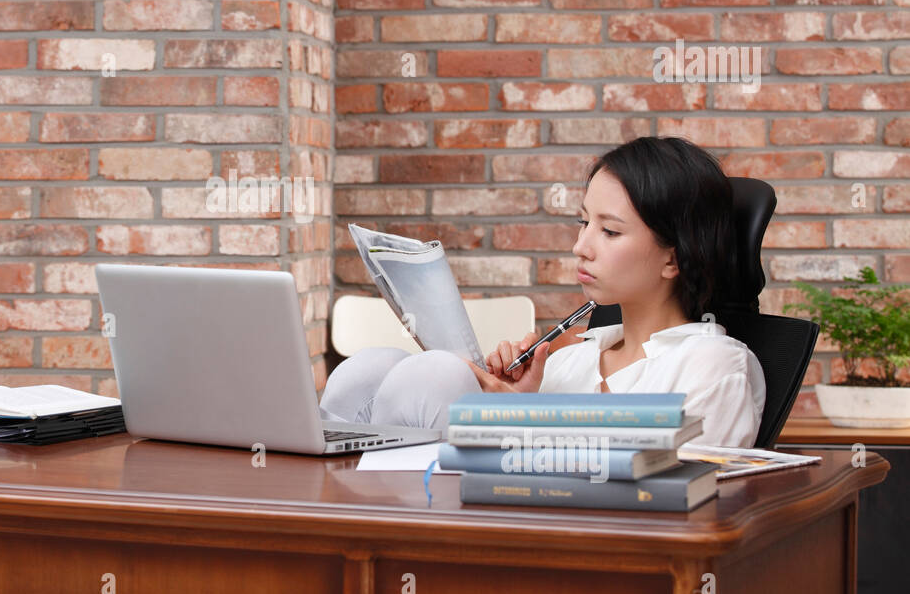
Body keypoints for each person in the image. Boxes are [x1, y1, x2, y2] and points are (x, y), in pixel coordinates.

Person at [318, 136, 767, 448]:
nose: (581, 247)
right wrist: (523, 400)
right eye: (583, 223)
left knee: (438, 377)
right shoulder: (569, 359)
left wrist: (523, 416)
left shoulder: (714, 365)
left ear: (674, 258)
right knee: (372, 367)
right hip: (467, 503)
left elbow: (687, 495)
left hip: (588, 549)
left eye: (609, 231)